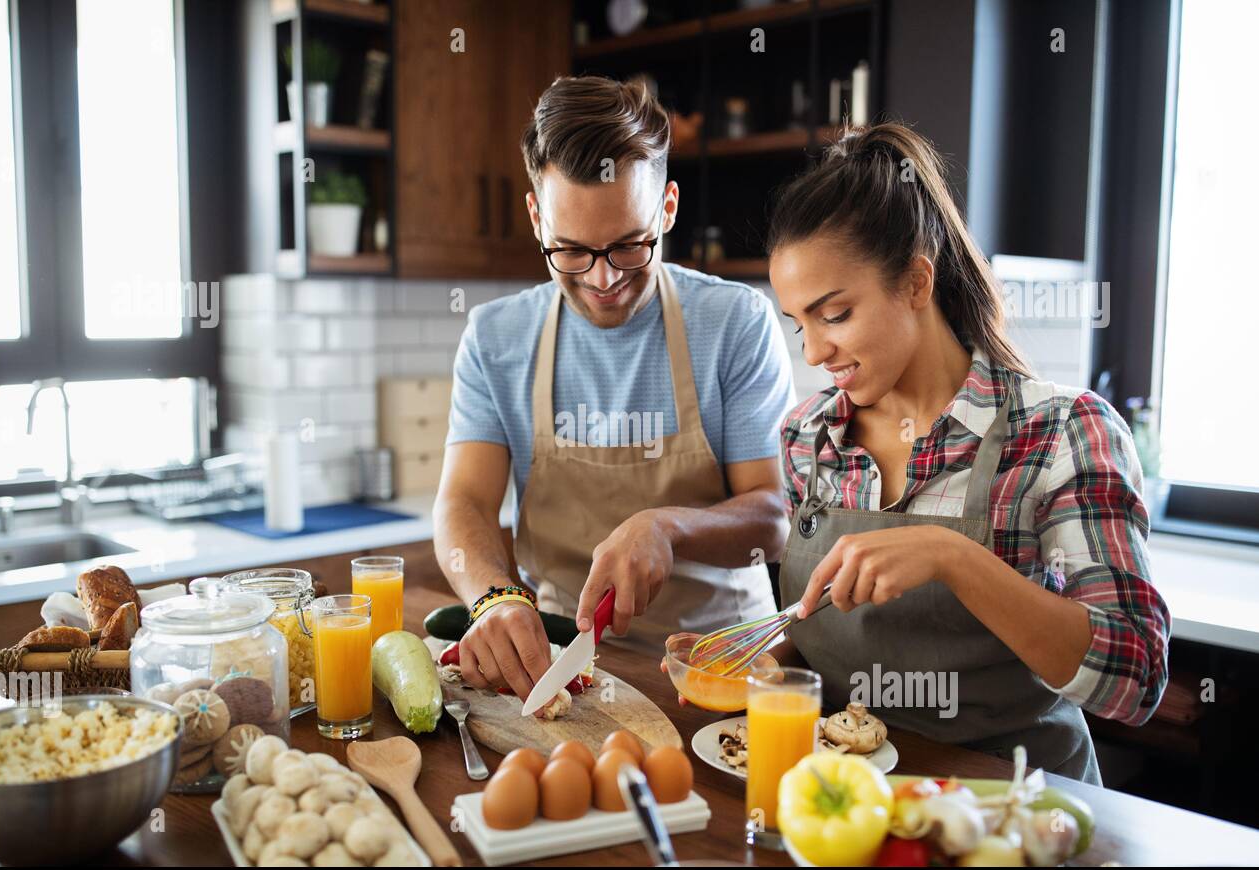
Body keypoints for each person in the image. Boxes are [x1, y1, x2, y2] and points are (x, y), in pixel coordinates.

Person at [767, 123, 1169, 784]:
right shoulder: (807, 439)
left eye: (833, 315)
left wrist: (953, 557)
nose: (812, 352)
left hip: (1015, 818)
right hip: (849, 807)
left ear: (918, 282)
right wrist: (759, 659)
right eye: (798, 324)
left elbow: (1134, 681)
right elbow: (828, 643)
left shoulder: (1061, 433)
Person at [433, 76, 796, 704]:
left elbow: (774, 518)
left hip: (720, 673)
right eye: (570, 251)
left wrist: (669, 528)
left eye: (630, 245)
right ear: (535, 216)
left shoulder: (735, 323)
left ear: (668, 209)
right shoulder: (496, 337)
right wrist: (496, 596)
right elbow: (462, 503)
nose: (603, 279)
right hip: (559, 668)